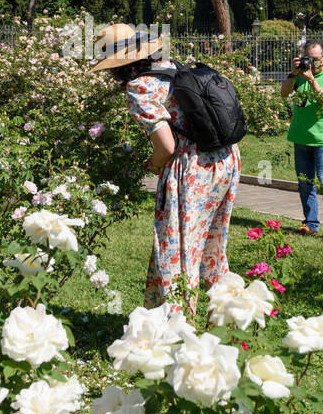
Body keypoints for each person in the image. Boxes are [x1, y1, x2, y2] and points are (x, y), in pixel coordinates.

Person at [92, 23, 240, 309]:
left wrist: (152, 164)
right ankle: (224, 322)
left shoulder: (140, 86)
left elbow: (167, 147)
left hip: (191, 168)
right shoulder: (174, 67)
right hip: (225, 159)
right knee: (213, 243)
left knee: (177, 246)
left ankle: (174, 330)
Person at [280, 40, 323, 242]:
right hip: (301, 135)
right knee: (305, 182)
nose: (312, 63)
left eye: (315, 59)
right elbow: (284, 94)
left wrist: (311, 80)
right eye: (308, 58)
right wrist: (293, 73)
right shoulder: (301, 72)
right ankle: (310, 224)